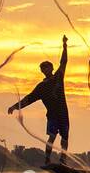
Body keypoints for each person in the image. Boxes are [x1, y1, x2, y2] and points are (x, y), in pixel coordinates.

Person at [8, 35, 70, 164]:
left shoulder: (58, 77)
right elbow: (29, 99)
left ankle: (63, 160)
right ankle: (47, 159)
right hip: (52, 115)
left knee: (65, 137)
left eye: (47, 67)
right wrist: (14, 107)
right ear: (42, 71)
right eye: (43, 68)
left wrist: (64, 45)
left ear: (51, 68)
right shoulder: (41, 87)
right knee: (52, 137)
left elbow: (63, 62)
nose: (45, 70)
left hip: (63, 113)